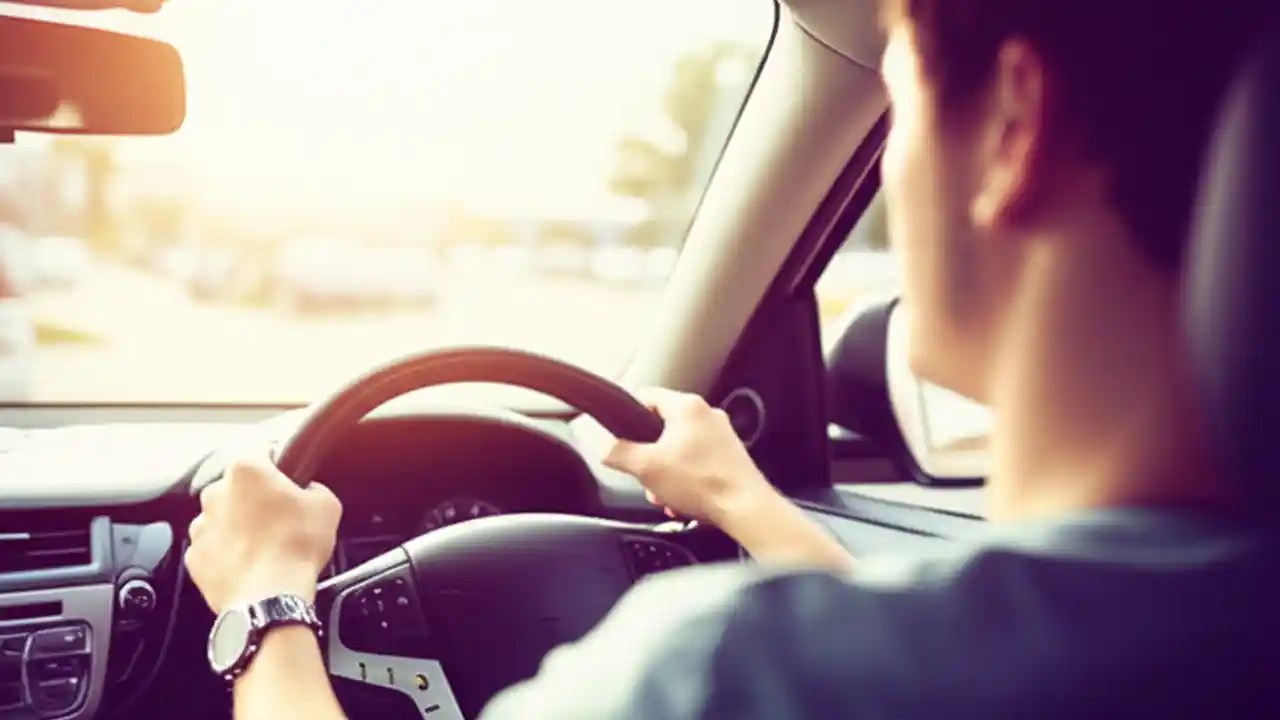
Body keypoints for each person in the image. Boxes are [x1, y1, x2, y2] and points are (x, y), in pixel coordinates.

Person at [184, 1, 1279, 717]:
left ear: (1011, 130)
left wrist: (264, 605)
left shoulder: (719, 676)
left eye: (893, 100)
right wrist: (746, 506)